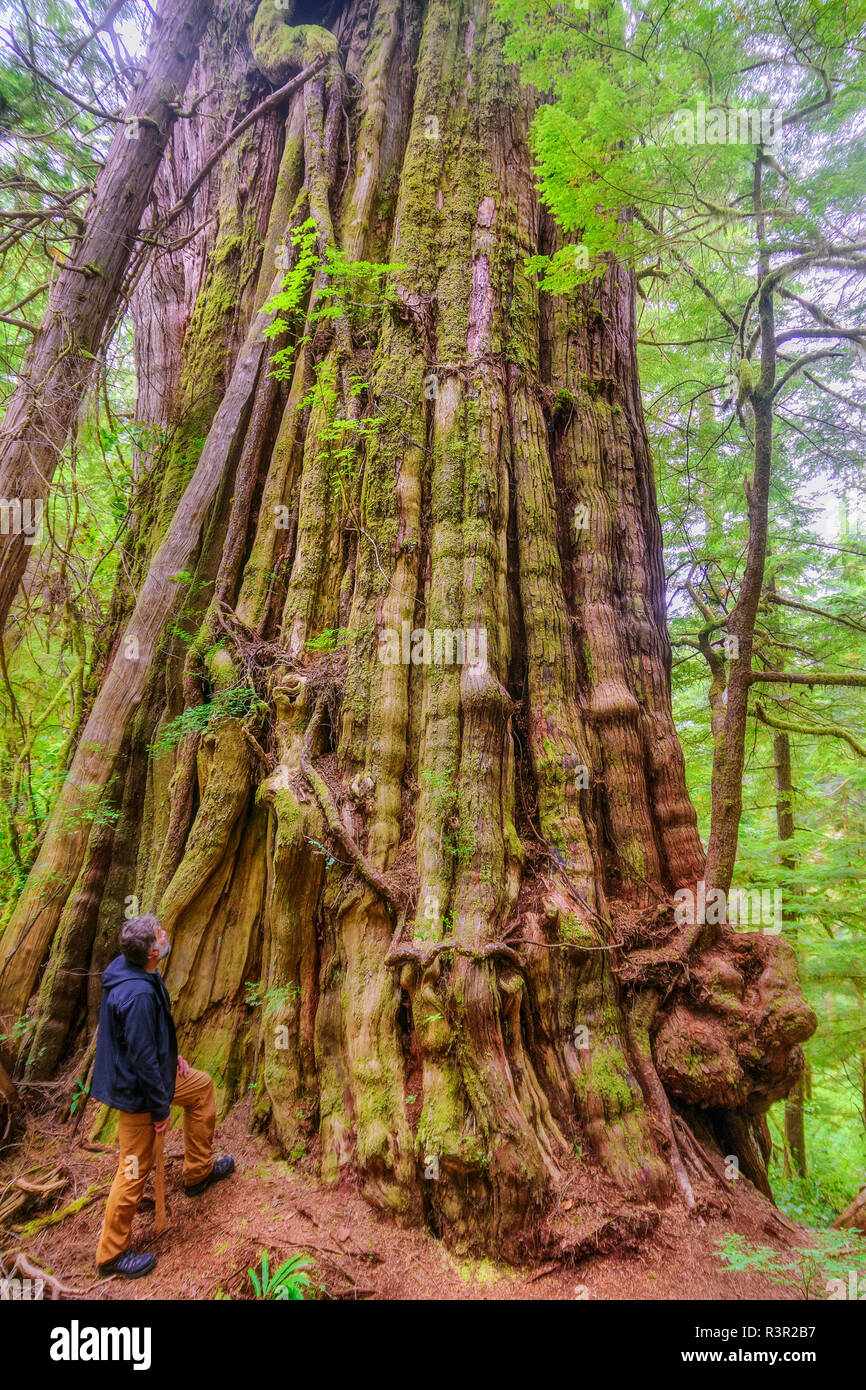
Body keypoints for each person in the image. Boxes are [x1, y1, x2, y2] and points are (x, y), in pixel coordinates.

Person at [91, 913, 235, 1278]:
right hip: (138, 1094)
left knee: (201, 1087)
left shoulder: (135, 969)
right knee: (133, 1168)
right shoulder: (137, 993)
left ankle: (197, 1172)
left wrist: (171, 1058)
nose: (166, 934)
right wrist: (159, 1110)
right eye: (160, 934)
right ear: (153, 951)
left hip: (155, 1078)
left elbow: (144, 1041)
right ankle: (111, 1255)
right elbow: (140, 1057)